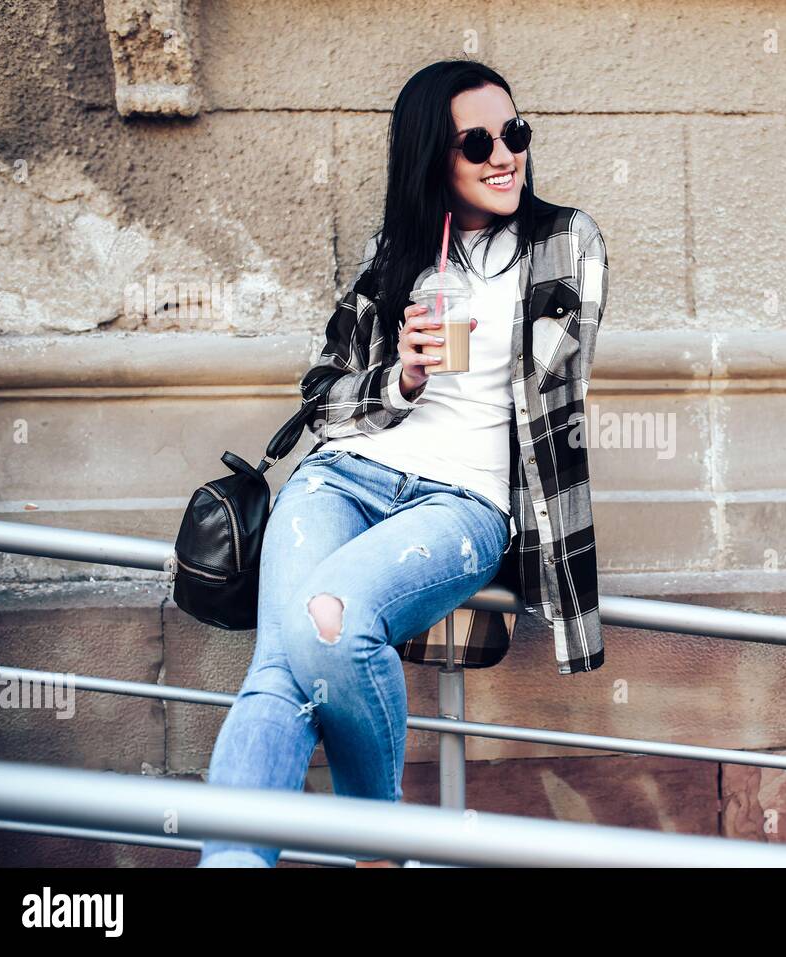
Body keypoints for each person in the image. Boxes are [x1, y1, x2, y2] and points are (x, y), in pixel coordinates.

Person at [197, 59, 608, 868]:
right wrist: (402, 376)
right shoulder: (400, 253)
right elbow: (322, 394)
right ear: (432, 160)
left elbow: (554, 382)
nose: (506, 155)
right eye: (478, 142)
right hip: (342, 475)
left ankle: (377, 840)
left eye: (515, 133)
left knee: (332, 621)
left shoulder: (566, 242)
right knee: (279, 669)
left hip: (462, 500)